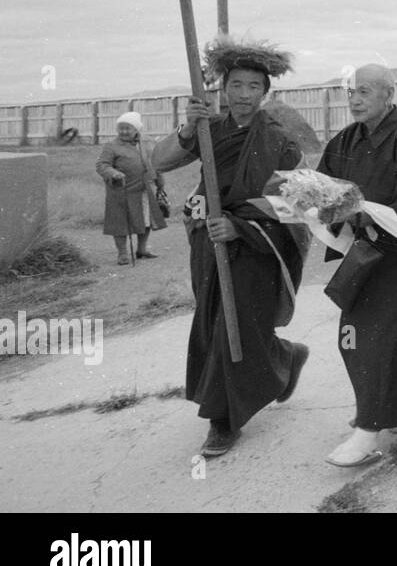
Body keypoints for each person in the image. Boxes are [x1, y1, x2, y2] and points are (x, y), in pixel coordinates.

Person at [152, 40, 310, 459]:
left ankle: (223, 419)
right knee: (215, 320)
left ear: (265, 93)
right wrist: (188, 128)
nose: (243, 94)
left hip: (253, 244)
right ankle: (285, 356)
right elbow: (160, 160)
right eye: (236, 85)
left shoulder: (278, 139)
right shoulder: (210, 129)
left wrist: (240, 226)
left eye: (253, 86)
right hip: (207, 238)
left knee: (236, 327)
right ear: (223, 87)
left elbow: (292, 207)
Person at [317, 64, 397, 467]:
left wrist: (373, 216)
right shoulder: (347, 138)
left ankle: (368, 429)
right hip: (362, 254)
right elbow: (324, 183)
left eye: (365, 92)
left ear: (388, 94)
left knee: (377, 340)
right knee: (377, 335)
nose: (355, 100)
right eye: (351, 92)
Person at [97, 111, 166, 264]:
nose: (123, 131)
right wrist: (113, 173)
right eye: (121, 128)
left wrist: (160, 183)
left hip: (144, 190)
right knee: (121, 223)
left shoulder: (146, 143)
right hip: (121, 191)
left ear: (136, 129)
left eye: (127, 128)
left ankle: (142, 249)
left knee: (146, 220)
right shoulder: (111, 146)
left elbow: (156, 163)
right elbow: (102, 165)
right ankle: (122, 254)